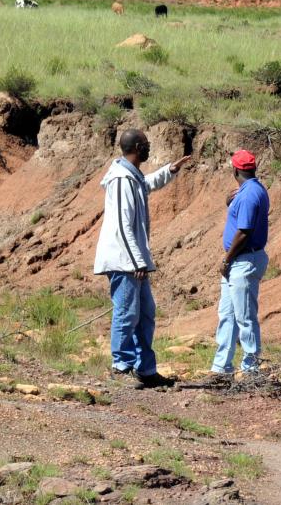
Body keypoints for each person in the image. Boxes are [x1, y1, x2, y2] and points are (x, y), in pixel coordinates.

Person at [93, 129, 192, 388]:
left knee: (145, 314)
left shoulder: (131, 177)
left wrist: (169, 170)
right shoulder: (121, 180)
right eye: (146, 144)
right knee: (127, 314)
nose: (149, 148)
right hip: (124, 261)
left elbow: (146, 185)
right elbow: (122, 225)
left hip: (133, 261)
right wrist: (137, 261)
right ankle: (122, 366)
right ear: (137, 146)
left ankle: (146, 370)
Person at [207, 149, 270, 380]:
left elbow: (244, 232)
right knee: (228, 314)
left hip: (243, 260)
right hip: (241, 260)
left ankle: (251, 369)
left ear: (235, 170)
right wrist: (229, 204)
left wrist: (226, 259)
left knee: (245, 317)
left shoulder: (248, 195)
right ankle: (221, 368)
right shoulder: (253, 190)